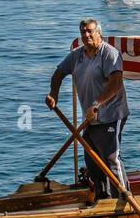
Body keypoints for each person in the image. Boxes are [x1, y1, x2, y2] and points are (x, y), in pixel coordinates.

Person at [47, 18, 130, 205]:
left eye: (90, 31)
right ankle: (103, 198)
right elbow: (58, 73)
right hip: (91, 117)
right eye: (83, 31)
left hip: (111, 114)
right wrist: (54, 94)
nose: (86, 35)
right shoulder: (77, 55)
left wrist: (97, 104)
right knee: (92, 160)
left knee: (110, 157)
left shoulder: (109, 54)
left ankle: (124, 198)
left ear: (98, 32)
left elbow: (116, 83)